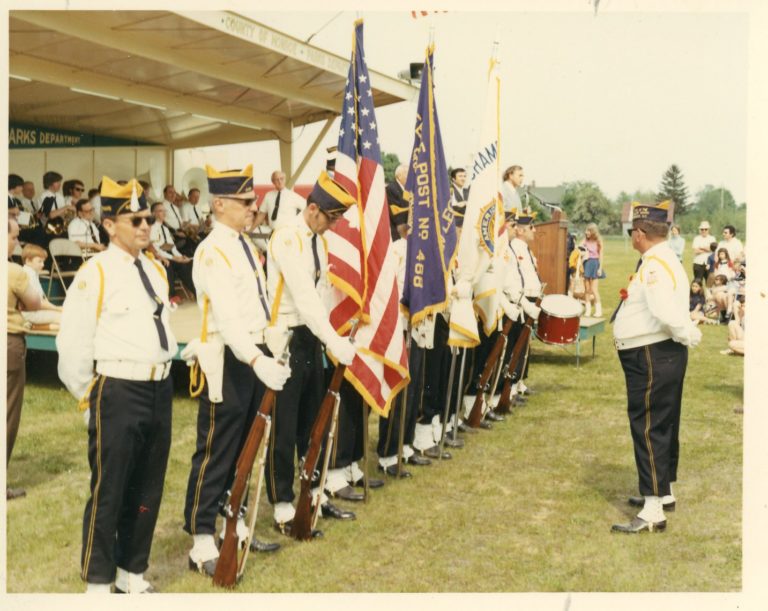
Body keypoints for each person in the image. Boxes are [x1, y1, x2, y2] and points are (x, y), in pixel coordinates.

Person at [57, 177, 177, 593]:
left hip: (159, 388)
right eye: (135, 220)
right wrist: (90, 396)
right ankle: (98, 580)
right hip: (119, 390)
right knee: (110, 487)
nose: (146, 227)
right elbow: (72, 345)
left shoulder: (156, 271)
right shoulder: (96, 273)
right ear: (110, 225)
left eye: (148, 219)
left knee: (148, 486)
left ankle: (132, 572)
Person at [183, 165, 289, 577]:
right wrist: (256, 358)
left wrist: (267, 347)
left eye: (253, 200)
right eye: (246, 201)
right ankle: (201, 539)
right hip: (229, 356)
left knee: (247, 444)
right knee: (217, 449)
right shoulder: (212, 249)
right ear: (219, 204)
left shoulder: (243, 244)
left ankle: (235, 523)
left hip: (252, 350)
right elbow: (227, 318)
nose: (253, 207)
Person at [265, 169, 358, 535]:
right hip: (286, 335)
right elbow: (303, 295)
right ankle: (283, 504)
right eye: (332, 217)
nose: (334, 225)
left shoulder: (318, 240)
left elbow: (320, 294)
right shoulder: (287, 236)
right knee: (285, 425)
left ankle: (312, 492)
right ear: (314, 208)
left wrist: (331, 335)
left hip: (310, 337)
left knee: (310, 419)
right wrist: (333, 341)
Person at [611, 201, 701, 534]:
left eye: (633, 231)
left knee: (648, 425)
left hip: (651, 353)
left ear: (640, 233)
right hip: (660, 353)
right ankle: (663, 493)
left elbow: (663, 311)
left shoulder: (653, 266)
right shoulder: (665, 259)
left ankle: (652, 510)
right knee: (663, 423)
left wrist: (686, 333)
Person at [7, 218, 42, 501]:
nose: (17, 243)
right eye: (14, 237)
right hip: (8, 344)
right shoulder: (14, 271)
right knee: (7, 415)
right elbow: (34, 304)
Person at [149, 202, 195, 300]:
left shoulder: (165, 228)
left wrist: (180, 257)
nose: (164, 213)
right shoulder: (151, 228)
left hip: (169, 254)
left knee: (186, 263)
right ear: (153, 213)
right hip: (158, 255)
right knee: (168, 265)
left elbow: (172, 247)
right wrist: (174, 258)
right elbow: (156, 249)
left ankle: (196, 291)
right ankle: (171, 295)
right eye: (161, 211)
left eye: (164, 210)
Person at [20, 244, 63, 330]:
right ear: (28, 261)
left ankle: (34, 326)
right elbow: (38, 302)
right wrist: (57, 308)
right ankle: (32, 325)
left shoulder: (33, 273)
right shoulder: (27, 275)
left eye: (43, 261)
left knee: (62, 323)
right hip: (30, 313)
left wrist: (56, 309)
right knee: (66, 319)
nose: (43, 265)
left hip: (35, 310)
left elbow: (42, 299)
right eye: (39, 261)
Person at [581, 223, 604, 317]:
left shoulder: (598, 241)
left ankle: (599, 311)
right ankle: (588, 310)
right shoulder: (585, 240)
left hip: (594, 264)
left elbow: (601, 255)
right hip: (586, 264)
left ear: (593, 232)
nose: (586, 232)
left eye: (589, 231)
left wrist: (600, 268)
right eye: (586, 230)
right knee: (587, 289)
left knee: (594, 289)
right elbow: (579, 249)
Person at [385, 164, 409, 241]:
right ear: (399, 175)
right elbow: (396, 215)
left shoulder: (406, 190)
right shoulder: (391, 189)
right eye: (407, 174)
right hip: (397, 235)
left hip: (405, 232)